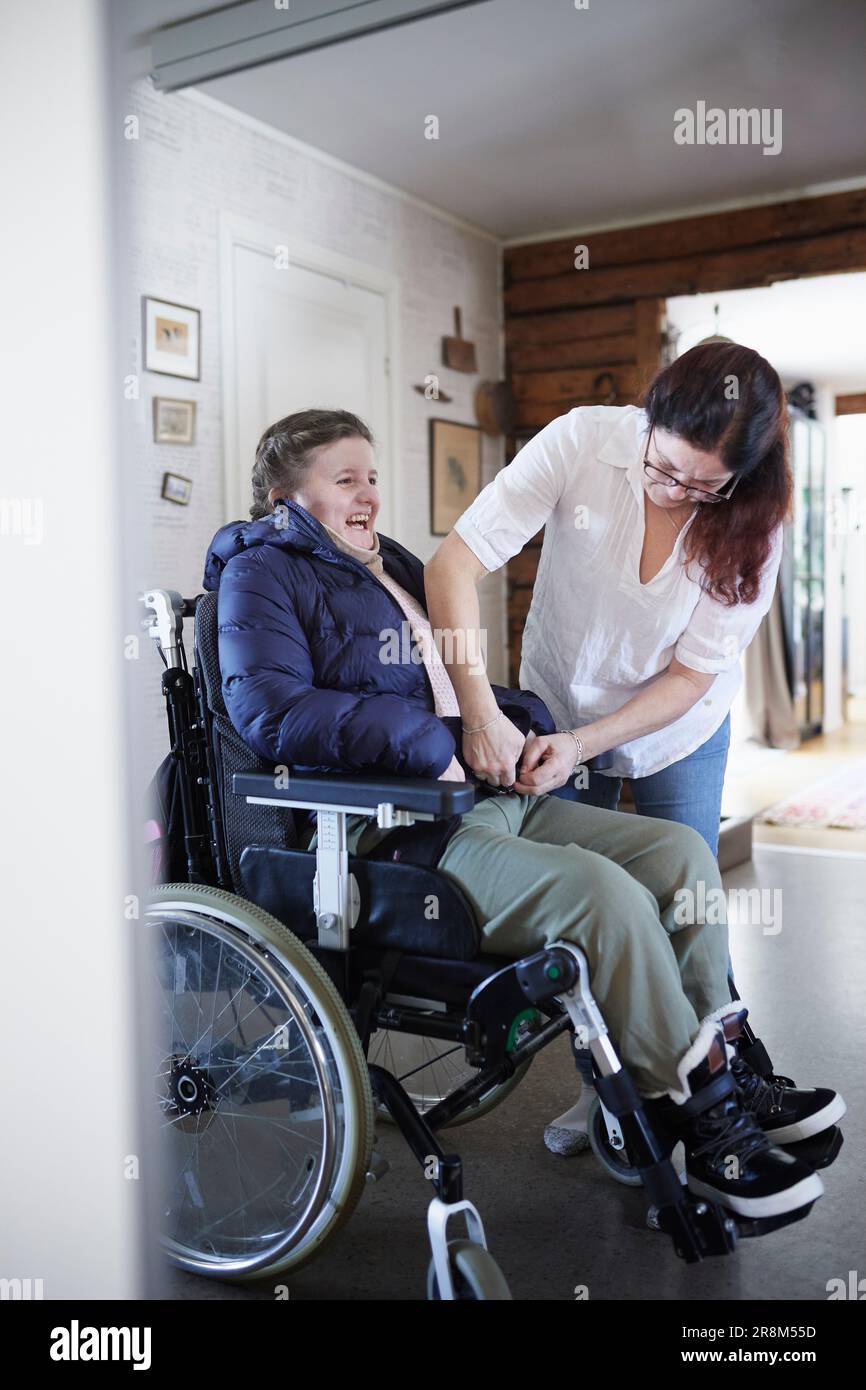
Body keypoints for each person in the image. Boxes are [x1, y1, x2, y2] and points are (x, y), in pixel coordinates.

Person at [205, 406, 843, 1223]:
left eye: (372, 476)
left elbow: (446, 693)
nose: (369, 493)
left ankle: (713, 1068)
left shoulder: (384, 566)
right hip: (390, 831)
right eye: (345, 479)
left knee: (682, 859)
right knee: (605, 900)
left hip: (474, 798)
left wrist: (521, 723)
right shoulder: (261, 573)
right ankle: (706, 1116)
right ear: (287, 494)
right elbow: (269, 712)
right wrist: (425, 741)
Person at [423, 341, 795, 1153]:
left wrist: (588, 741)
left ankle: (718, 1079)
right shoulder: (582, 441)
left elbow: (692, 674)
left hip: (678, 725)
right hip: (553, 705)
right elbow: (453, 565)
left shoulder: (753, 523)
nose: (678, 493)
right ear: (649, 417)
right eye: (666, 469)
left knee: (684, 892)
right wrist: (481, 710)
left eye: (705, 484)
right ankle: (620, 1105)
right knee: (592, 913)